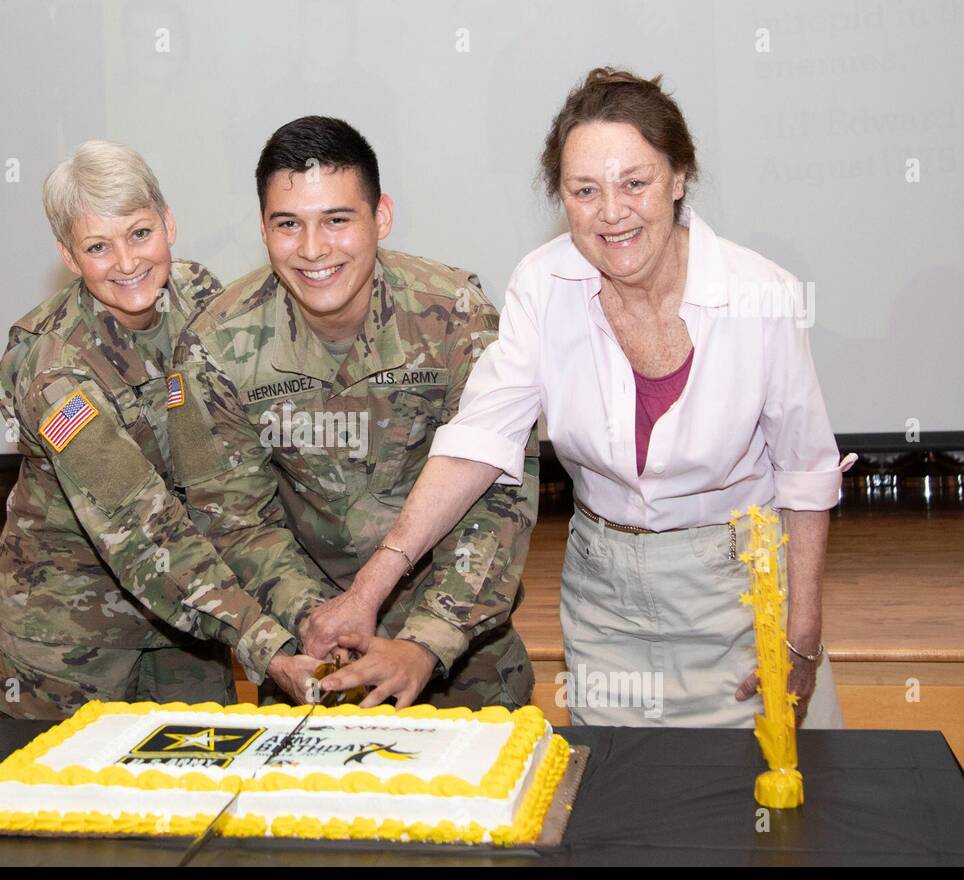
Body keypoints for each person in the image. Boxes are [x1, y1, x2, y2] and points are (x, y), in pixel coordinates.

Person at [319, 69, 853, 728]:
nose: (611, 212)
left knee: (764, 818)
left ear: (679, 177)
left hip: (742, 602)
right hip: (606, 607)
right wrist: (371, 586)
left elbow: (804, 475)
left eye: (636, 182)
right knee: (619, 813)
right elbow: (477, 442)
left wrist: (801, 635)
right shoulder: (543, 284)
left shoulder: (760, 294)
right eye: (585, 190)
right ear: (561, 197)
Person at [168, 116, 539, 710]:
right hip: (312, 657)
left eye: (337, 220)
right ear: (263, 230)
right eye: (288, 224)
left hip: (458, 652)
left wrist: (426, 641)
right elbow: (235, 519)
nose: (313, 250)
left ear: (381, 217)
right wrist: (324, 624)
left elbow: (500, 497)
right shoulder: (216, 344)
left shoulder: (454, 316)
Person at [0, 140, 320, 719]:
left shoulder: (200, 297)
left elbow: (235, 464)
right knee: (68, 802)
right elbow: (139, 525)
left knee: (201, 788)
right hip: (75, 631)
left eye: (140, 233)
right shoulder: (55, 371)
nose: (126, 263)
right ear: (70, 257)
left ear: (168, 223)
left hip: (193, 614)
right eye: (98, 246)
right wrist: (266, 646)